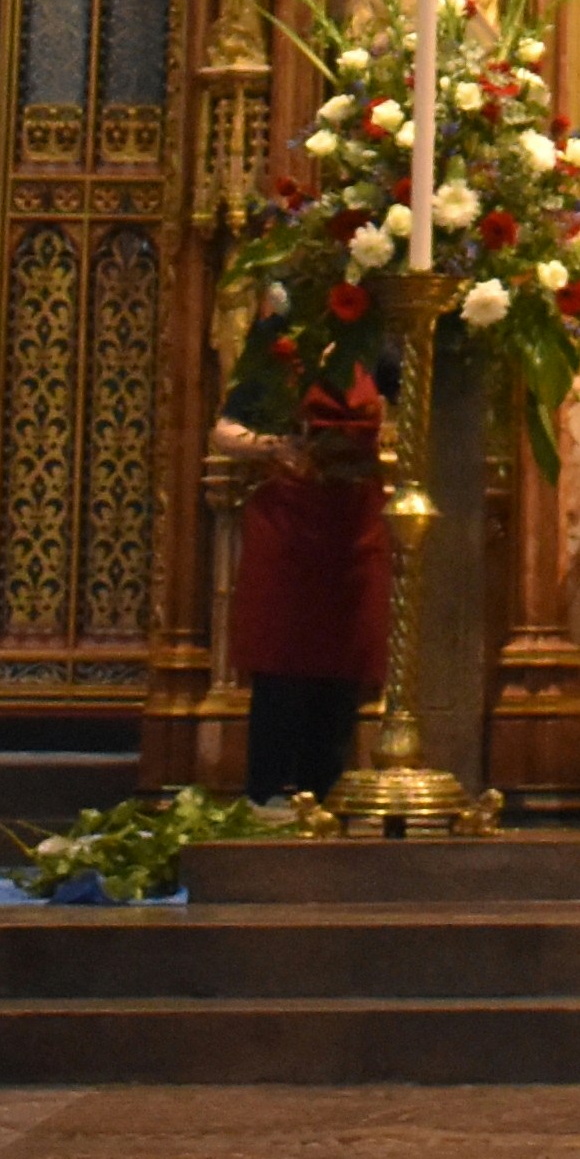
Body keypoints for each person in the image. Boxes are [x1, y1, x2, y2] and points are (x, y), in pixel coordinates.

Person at [218, 323, 391, 801]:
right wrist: (277, 447)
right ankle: (265, 796)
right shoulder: (277, 344)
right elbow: (224, 430)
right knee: (280, 671)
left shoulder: (380, 344)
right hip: (290, 527)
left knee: (341, 675)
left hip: (352, 530)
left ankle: (328, 799)